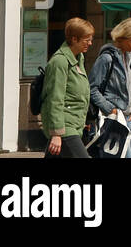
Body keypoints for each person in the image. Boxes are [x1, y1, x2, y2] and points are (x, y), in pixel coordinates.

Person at [89, 17, 131, 159]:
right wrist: (110, 109)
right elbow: (92, 88)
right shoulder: (106, 58)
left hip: (129, 119)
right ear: (122, 37)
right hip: (114, 120)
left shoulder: (130, 57)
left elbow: (130, 88)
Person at [41, 17, 94, 159]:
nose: (90, 43)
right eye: (86, 39)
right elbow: (55, 98)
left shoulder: (79, 58)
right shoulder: (60, 62)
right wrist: (57, 134)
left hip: (75, 125)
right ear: (74, 39)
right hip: (65, 126)